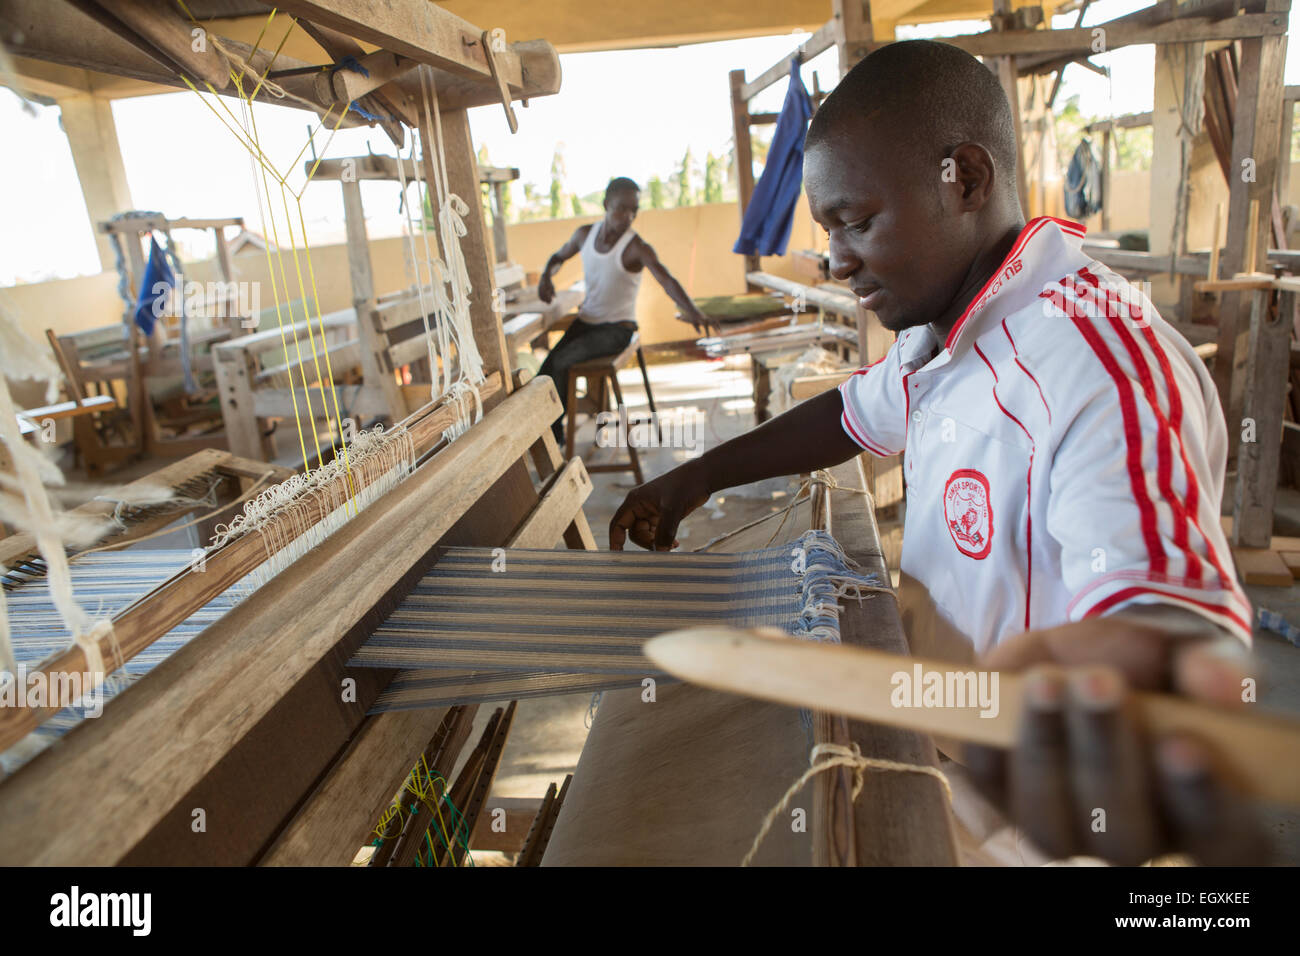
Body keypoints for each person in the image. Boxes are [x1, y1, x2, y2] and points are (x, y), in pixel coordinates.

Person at [609, 40, 1266, 865]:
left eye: (857, 221)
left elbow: (1163, 604)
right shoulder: (947, 328)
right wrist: (697, 477)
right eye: (828, 231)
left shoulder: (1098, 366)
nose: (839, 260)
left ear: (966, 177)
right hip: (938, 745)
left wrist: (1156, 678)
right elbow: (853, 414)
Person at [537, 177, 709, 443]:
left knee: (561, 363)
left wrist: (693, 310)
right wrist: (546, 276)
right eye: (621, 209)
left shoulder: (636, 247)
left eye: (634, 211)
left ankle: (554, 437)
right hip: (587, 322)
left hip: (618, 329)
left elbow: (667, 280)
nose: (628, 217)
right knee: (546, 371)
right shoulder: (584, 235)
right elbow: (558, 257)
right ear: (606, 204)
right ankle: (550, 432)